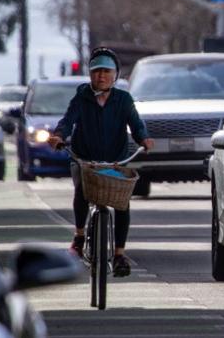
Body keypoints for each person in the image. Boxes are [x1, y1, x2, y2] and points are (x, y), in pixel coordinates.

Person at [47, 47, 154, 277]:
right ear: (90, 74)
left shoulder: (123, 99)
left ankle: (119, 254)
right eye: (96, 71)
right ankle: (78, 235)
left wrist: (143, 138)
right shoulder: (82, 97)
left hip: (115, 161)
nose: (101, 76)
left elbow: (136, 123)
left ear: (115, 75)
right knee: (81, 190)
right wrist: (58, 136)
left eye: (106, 71)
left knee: (122, 203)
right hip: (84, 158)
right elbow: (67, 121)